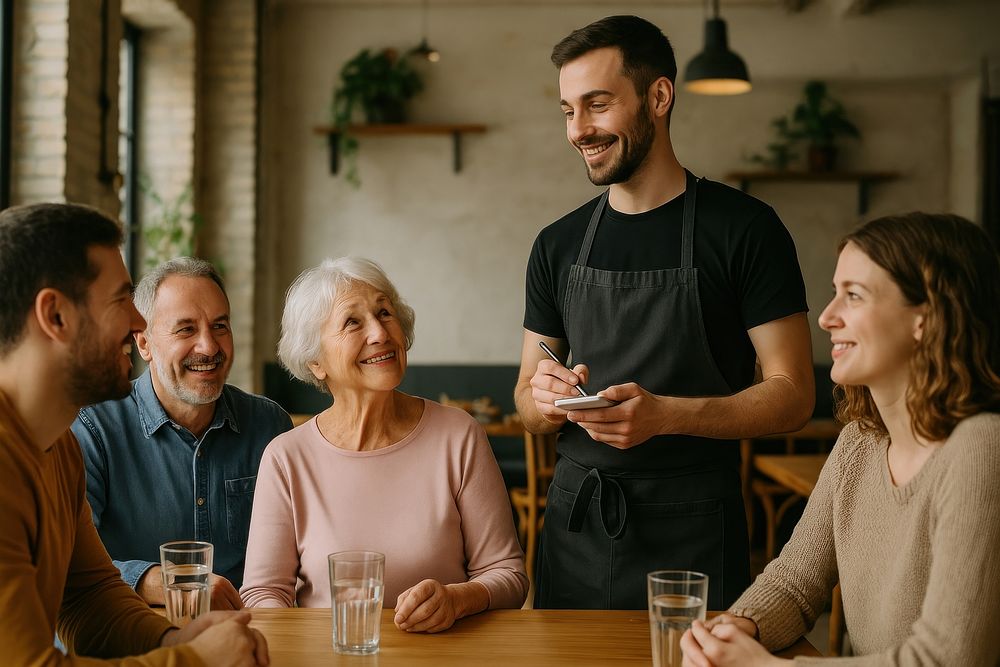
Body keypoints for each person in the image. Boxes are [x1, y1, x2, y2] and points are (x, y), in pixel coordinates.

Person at [515, 14, 814, 610]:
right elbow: (525, 396)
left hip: (694, 528)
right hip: (576, 528)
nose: (579, 130)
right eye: (568, 110)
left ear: (658, 97)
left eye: (598, 104)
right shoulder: (556, 245)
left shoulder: (746, 230)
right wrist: (545, 401)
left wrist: (667, 415)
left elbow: (794, 395)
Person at [681, 213, 1000, 666]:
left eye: (854, 295)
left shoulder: (981, 447)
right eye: (835, 293)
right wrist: (738, 628)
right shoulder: (859, 443)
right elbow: (794, 582)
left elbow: (945, 659)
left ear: (925, 317)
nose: (827, 317)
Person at [0, 202, 268, 665]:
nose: (139, 323)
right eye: (120, 300)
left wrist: (173, 641)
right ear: (56, 316)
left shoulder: (56, 445)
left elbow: (90, 597)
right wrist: (197, 661)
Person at [240, 257, 528, 632]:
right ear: (316, 362)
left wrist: (458, 600)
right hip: (332, 654)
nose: (380, 333)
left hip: (443, 653)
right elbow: (263, 592)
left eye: (384, 312)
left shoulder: (458, 435)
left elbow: (507, 574)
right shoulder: (286, 458)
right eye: (352, 322)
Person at [71, 257, 293, 611]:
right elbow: (69, 562)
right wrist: (162, 582)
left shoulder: (269, 426)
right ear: (144, 344)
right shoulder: (93, 428)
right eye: (186, 329)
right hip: (133, 633)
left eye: (220, 326)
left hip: (247, 631)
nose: (209, 346)